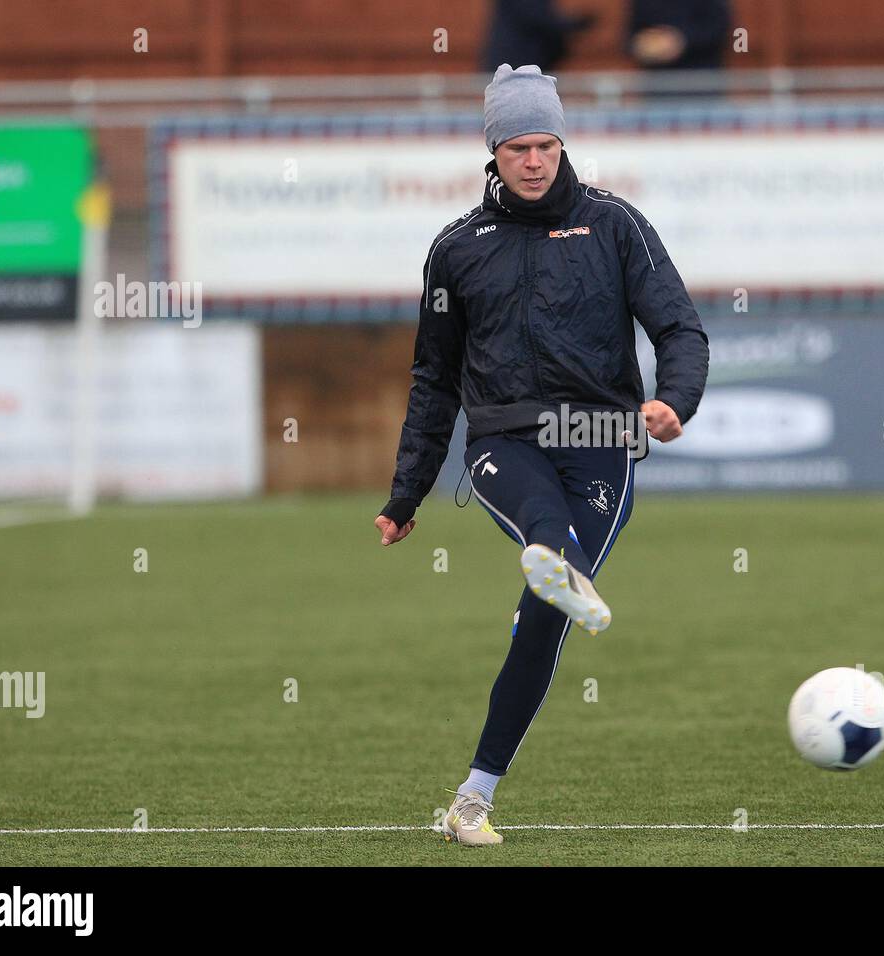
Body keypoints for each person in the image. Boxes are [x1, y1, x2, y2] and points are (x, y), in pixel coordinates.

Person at [375, 63, 710, 846]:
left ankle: (471, 799)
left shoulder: (616, 226)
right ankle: (548, 555)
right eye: (518, 147)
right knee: (549, 543)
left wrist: (673, 402)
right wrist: (406, 495)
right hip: (506, 437)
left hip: (603, 438)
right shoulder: (457, 248)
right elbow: (433, 378)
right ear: (492, 152)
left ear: (563, 145)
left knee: (544, 620)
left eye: (546, 146)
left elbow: (680, 329)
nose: (534, 161)